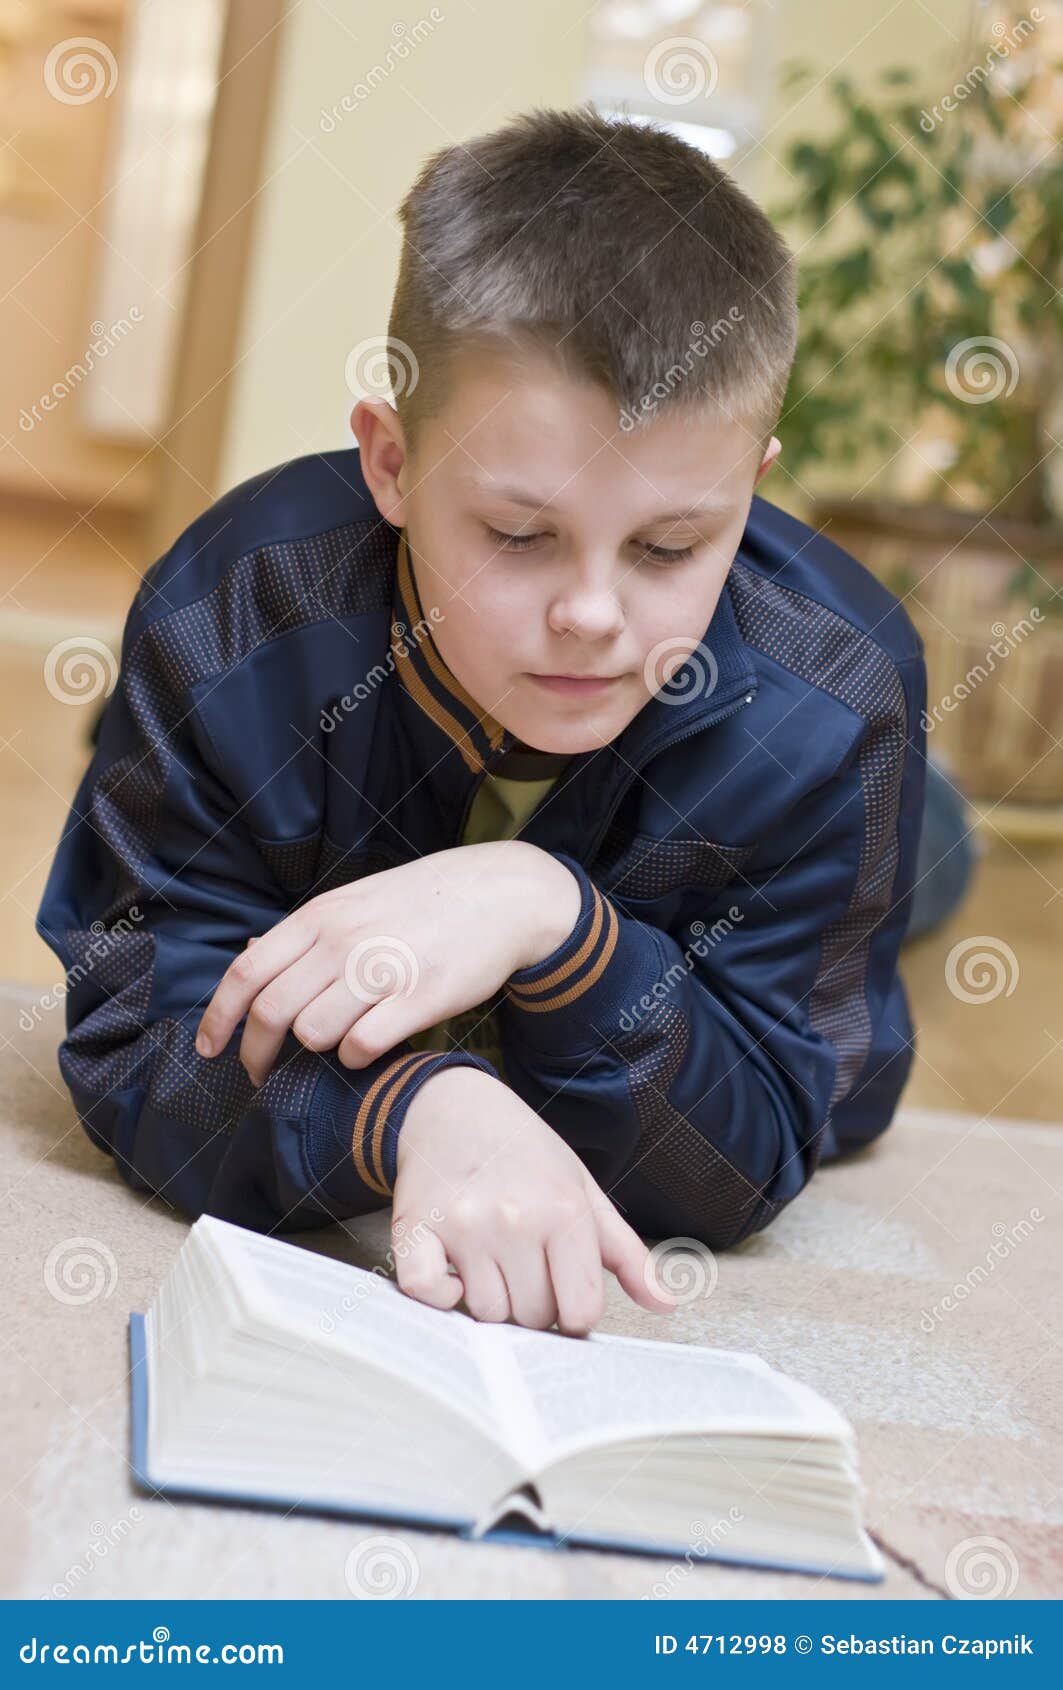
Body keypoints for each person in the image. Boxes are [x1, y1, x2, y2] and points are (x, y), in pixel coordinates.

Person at [35, 106, 928, 1336]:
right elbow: (137, 1036)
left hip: (823, 817)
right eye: (519, 536)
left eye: (673, 545)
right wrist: (413, 1106)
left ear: (752, 487)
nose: (593, 615)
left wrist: (547, 916)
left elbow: (752, 1146)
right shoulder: (223, 614)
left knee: (917, 891)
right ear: (390, 462)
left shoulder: (842, 699)